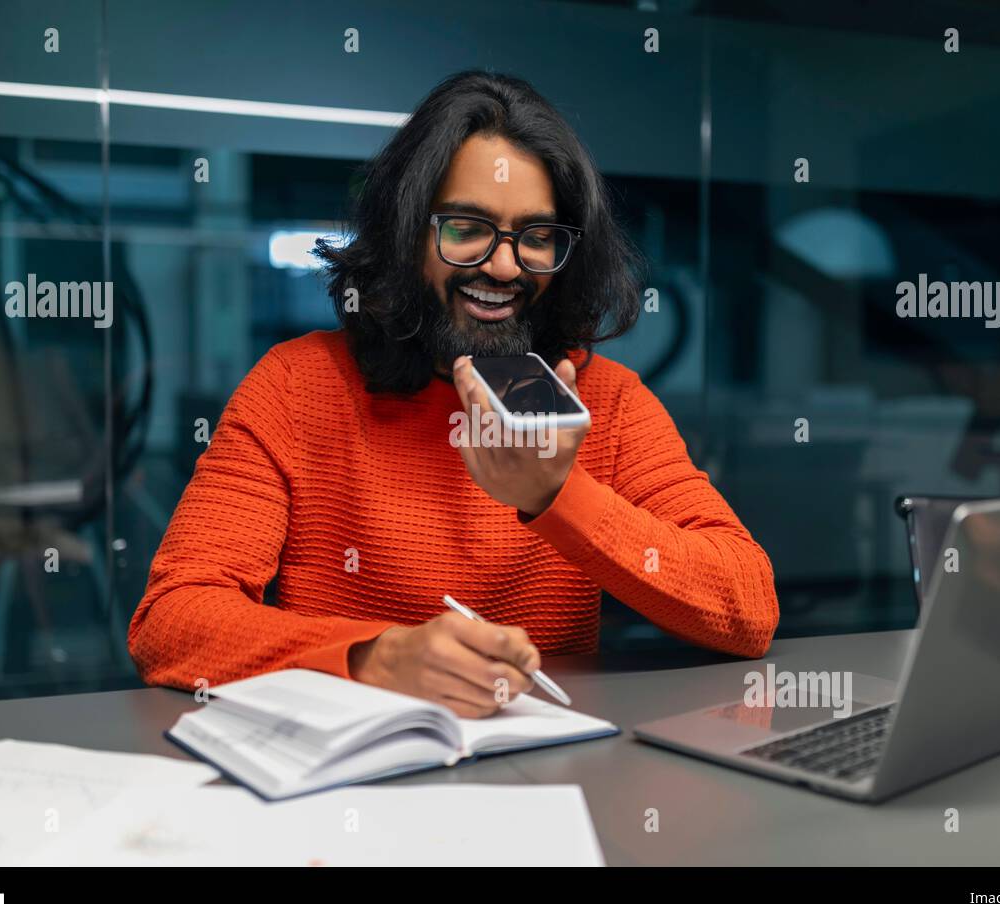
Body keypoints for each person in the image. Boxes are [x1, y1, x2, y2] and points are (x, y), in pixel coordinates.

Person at [129, 70, 779, 717]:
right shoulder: (297, 387)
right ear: (407, 235)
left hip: (549, 779)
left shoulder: (606, 402)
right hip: (345, 787)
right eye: (467, 227)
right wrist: (375, 658)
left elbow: (747, 608)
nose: (503, 265)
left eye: (537, 236)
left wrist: (556, 495)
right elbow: (172, 621)